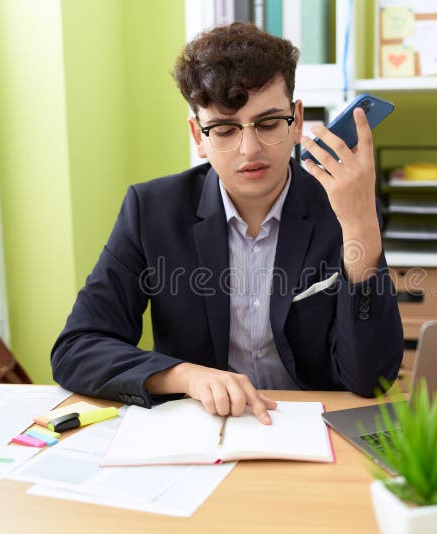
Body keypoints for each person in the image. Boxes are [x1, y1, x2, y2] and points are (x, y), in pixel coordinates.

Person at [51, 23, 403, 425]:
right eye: (224, 129)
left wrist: (360, 230)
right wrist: (184, 375)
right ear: (198, 136)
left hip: (313, 426)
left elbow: (370, 380)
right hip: (201, 429)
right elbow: (77, 348)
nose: (249, 149)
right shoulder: (151, 210)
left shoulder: (340, 205)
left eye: (269, 124)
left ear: (297, 119)